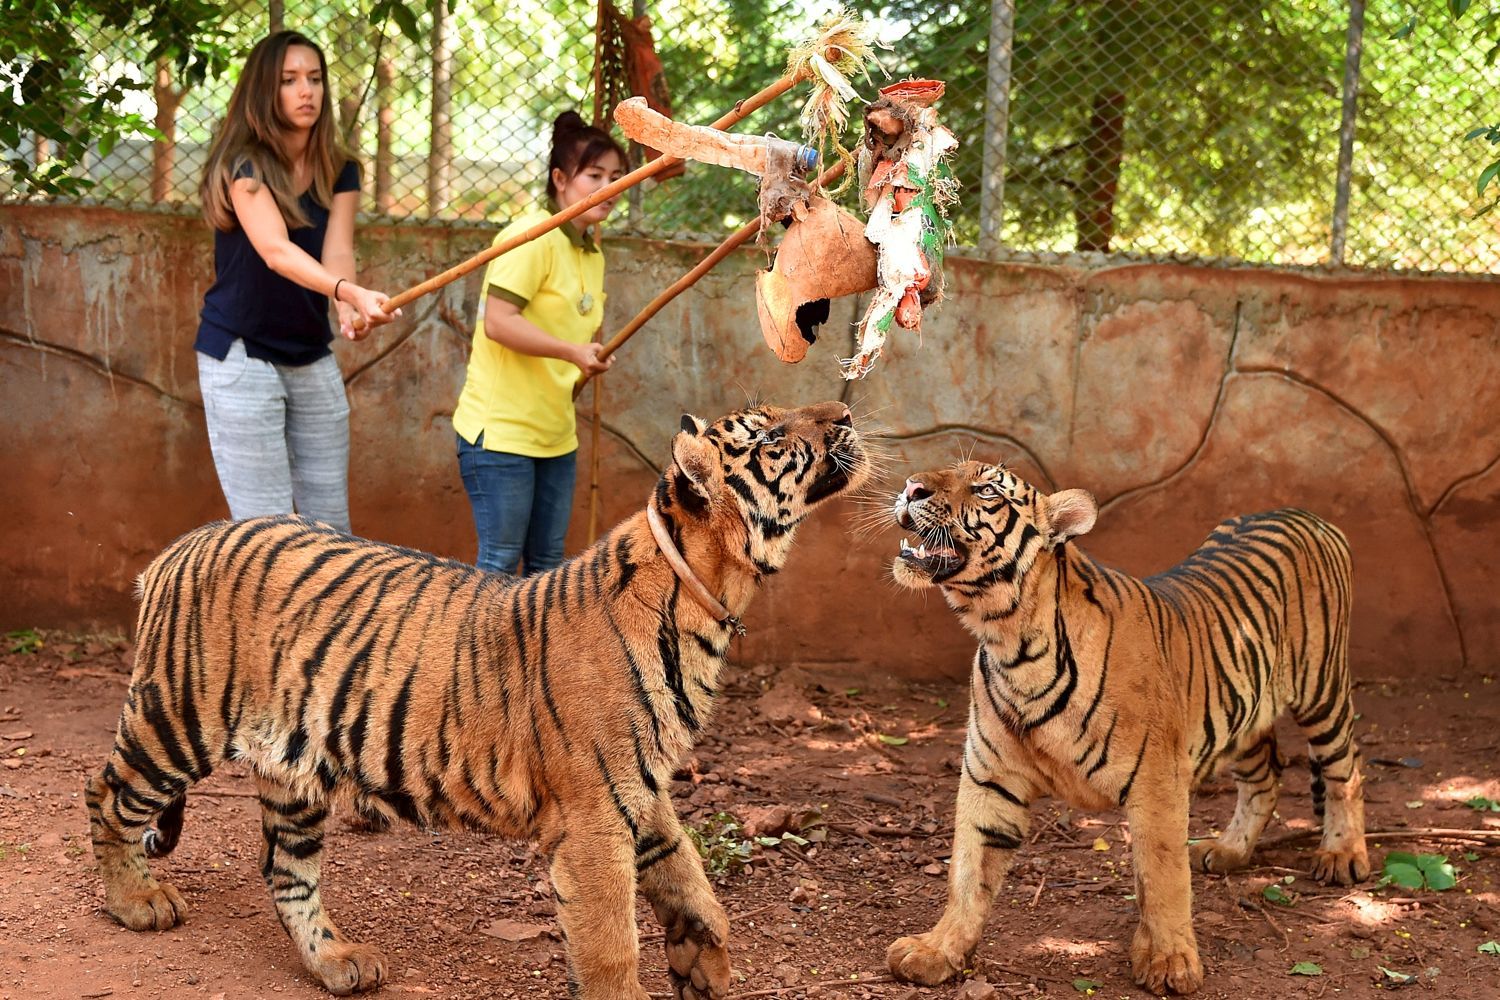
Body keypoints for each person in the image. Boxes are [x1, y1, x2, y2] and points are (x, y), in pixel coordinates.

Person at [194, 29, 398, 534]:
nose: (306, 91)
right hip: (241, 352)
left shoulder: (341, 166)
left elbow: (338, 250)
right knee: (266, 537)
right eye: (289, 80)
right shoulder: (244, 164)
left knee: (330, 533)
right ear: (266, 91)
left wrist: (346, 307)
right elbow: (275, 250)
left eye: (315, 79)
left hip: (309, 351)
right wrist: (347, 291)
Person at [453, 112, 627, 575]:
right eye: (594, 176)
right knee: (499, 563)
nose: (608, 187)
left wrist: (585, 355)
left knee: (548, 568)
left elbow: (576, 330)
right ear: (560, 179)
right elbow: (499, 323)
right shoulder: (531, 237)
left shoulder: (590, 249)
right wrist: (573, 352)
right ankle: (481, 652)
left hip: (555, 434)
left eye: (616, 178)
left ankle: (535, 653)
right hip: (502, 435)